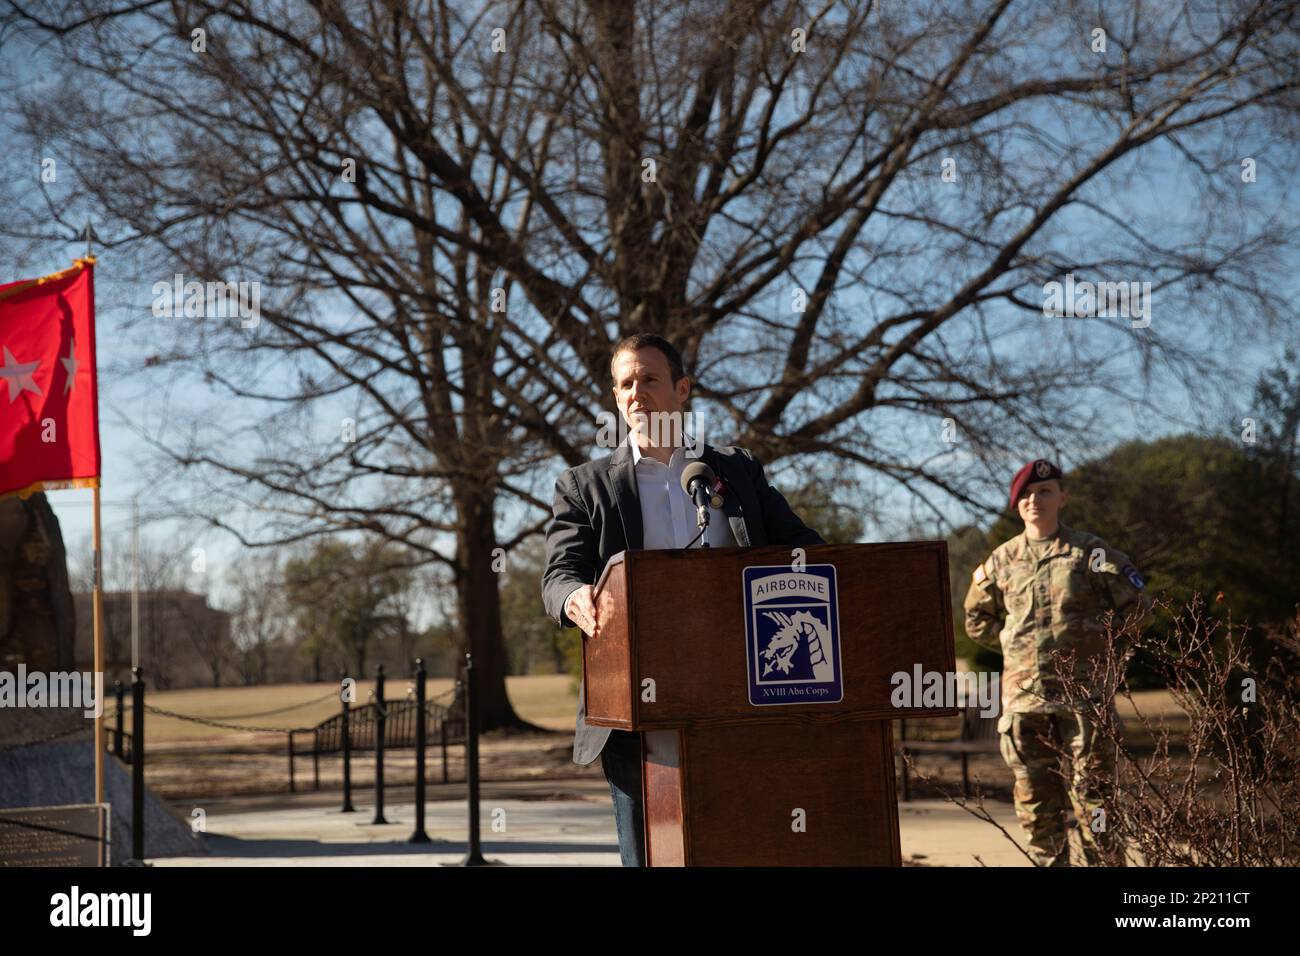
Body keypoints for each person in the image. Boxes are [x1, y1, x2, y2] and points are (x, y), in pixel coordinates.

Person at [541, 332, 824, 866]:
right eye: (625, 384)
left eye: (649, 379)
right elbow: (559, 574)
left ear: (682, 389)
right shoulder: (585, 486)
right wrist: (576, 596)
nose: (636, 393)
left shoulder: (734, 471)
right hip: (633, 710)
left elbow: (805, 549)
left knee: (739, 850)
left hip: (737, 699)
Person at [963, 459, 1151, 867]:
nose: (1035, 499)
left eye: (1045, 491)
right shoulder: (1001, 561)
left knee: (1097, 803)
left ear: (1062, 498)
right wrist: (1016, 649)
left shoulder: (1090, 553)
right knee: (1036, 808)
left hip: (1085, 700)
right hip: (1025, 703)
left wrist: (1104, 646)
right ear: (1017, 505)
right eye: (1026, 494)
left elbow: (1138, 607)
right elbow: (976, 619)